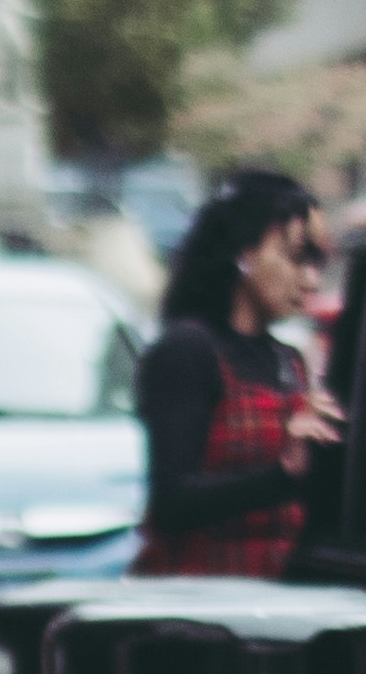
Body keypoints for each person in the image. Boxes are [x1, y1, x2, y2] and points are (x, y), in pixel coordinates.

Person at [133, 168, 343, 578]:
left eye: (317, 264)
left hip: (276, 599)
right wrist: (283, 473)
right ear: (243, 254)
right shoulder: (188, 351)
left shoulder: (289, 359)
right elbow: (172, 504)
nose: (311, 280)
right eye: (296, 259)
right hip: (201, 601)